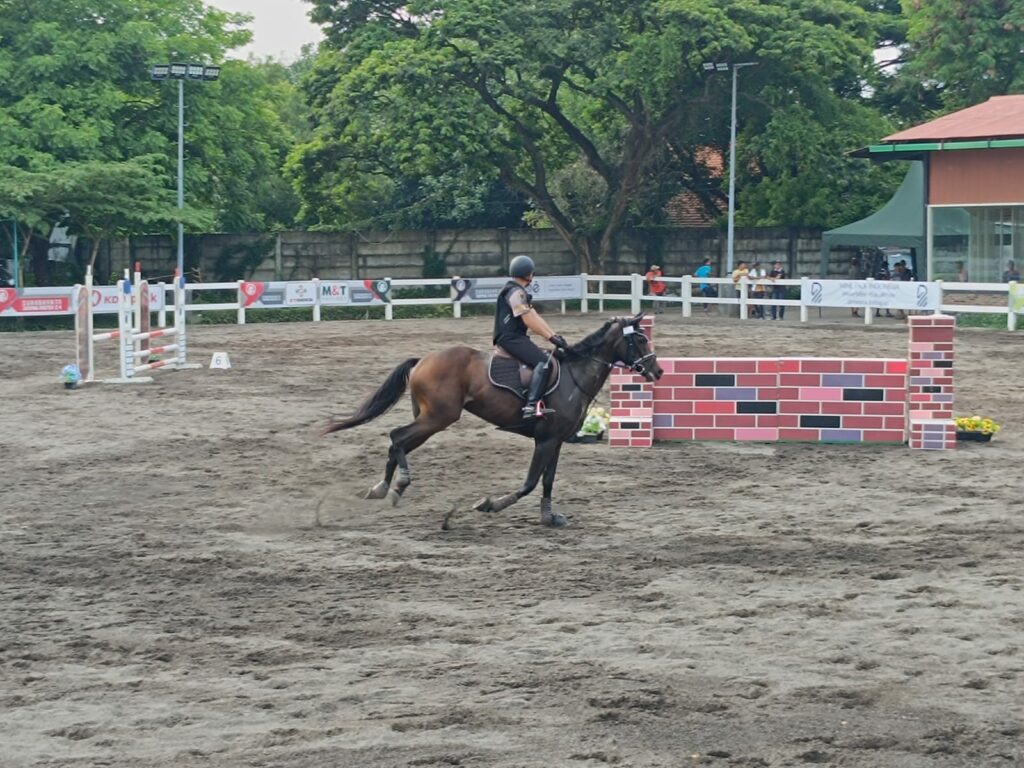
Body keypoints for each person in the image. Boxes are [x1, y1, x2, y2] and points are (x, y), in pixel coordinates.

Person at [493, 255, 570, 420]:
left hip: (515, 337)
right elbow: (528, 320)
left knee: (547, 357)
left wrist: (554, 335)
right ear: (529, 274)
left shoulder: (517, 291)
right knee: (543, 363)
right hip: (511, 338)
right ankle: (531, 405)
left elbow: (534, 317)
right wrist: (551, 338)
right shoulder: (516, 293)